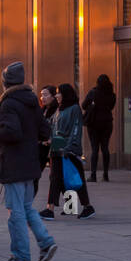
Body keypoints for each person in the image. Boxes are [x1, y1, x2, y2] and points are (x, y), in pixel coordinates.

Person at [0, 62, 57, 261]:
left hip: (13, 163)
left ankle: (20, 254)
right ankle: (46, 242)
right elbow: (45, 130)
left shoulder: (9, 103)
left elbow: (11, 132)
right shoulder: (32, 101)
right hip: (30, 163)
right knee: (27, 207)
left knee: (15, 210)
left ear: (5, 82)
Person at [43, 82, 95, 220]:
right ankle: (54, 208)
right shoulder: (60, 109)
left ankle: (87, 206)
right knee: (56, 178)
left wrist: (70, 148)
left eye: (59, 93)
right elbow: (54, 126)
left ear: (65, 94)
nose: (56, 95)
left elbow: (76, 130)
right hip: (57, 146)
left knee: (75, 178)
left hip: (69, 149)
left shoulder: (74, 109)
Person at [82, 74, 117, 182]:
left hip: (94, 123)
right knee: (105, 148)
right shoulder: (112, 95)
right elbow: (111, 107)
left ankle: (93, 175)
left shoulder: (93, 92)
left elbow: (83, 105)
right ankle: (105, 174)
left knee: (95, 149)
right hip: (107, 122)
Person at [38, 85, 58, 174]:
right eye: (42, 95)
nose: (42, 98)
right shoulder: (42, 110)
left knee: (55, 176)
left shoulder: (58, 110)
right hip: (42, 147)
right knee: (35, 175)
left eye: (45, 95)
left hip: (53, 147)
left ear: (53, 96)